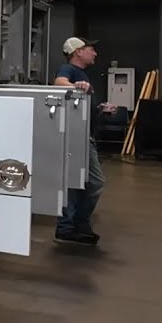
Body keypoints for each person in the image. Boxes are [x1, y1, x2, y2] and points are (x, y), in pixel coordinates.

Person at [52, 37, 115, 245]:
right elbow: (59, 83)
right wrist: (75, 85)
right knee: (94, 182)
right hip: (78, 139)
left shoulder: (83, 75)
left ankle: (72, 227)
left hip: (84, 136)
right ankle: (73, 225)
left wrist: (100, 109)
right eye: (91, 49)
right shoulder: (68, 70)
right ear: (77, 52)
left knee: (78, 184)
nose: (95, 53)